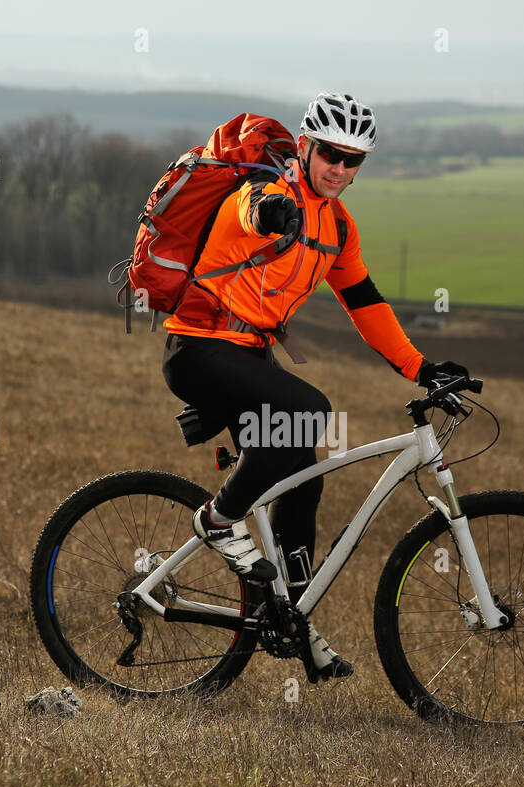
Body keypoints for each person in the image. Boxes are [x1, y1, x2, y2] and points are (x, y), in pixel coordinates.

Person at [161, 91, 468, 682]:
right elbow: (254, 210)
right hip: (198, 347)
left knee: (302, 471)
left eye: (354, 161)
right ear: (305, 146)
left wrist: (422, 368)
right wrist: (274, 217)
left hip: (248, 355)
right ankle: (219, 522)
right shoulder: (269, 192)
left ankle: (292, 618)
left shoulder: (338, 227)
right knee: (309, 408)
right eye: (330, 153)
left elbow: (366, 304)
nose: (340, 169)